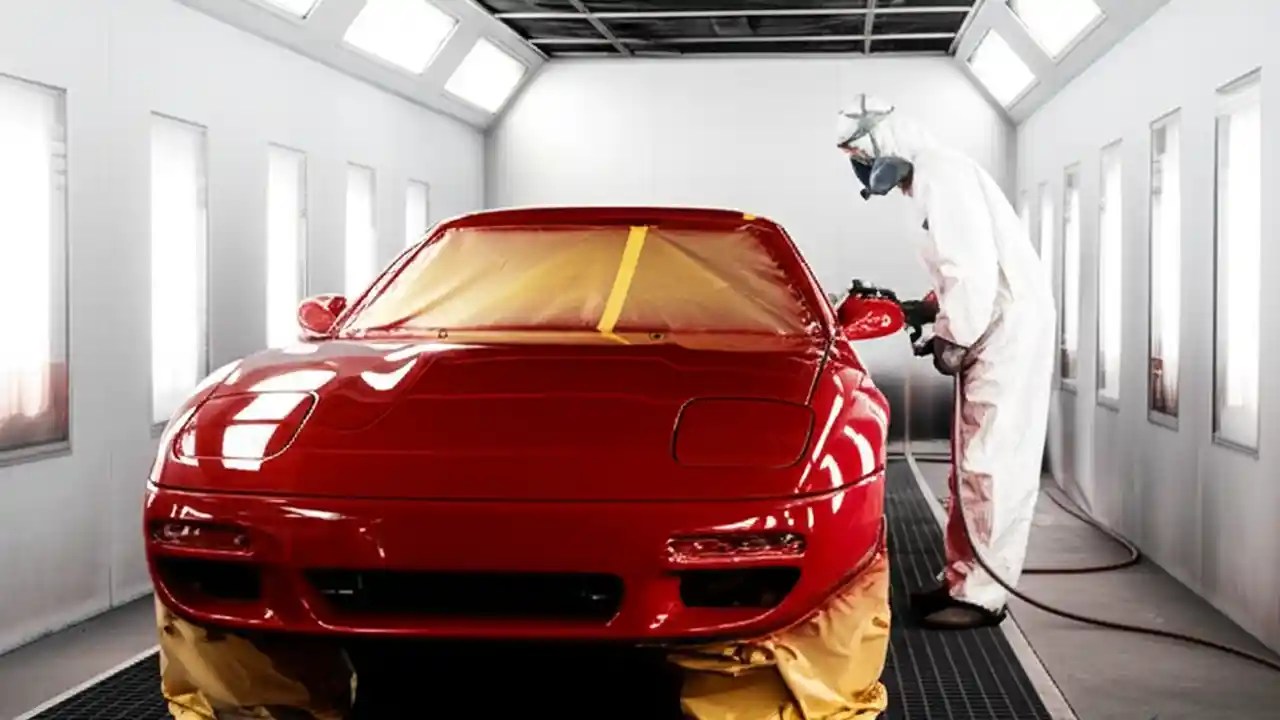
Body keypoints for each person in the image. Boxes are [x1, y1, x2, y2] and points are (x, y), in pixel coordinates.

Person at [834, 93, 1056, 629]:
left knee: (989, 463)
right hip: (994, 328)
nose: (861, 168)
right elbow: (967, 268)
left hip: (1004, 334)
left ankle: (982, 596)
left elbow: (970, 269)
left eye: (859, 155)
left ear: (882, 141)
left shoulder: (940, 174)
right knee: (970, 461)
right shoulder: (933, 177)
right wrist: (932, 311)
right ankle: (962, 578)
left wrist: (952, 337)